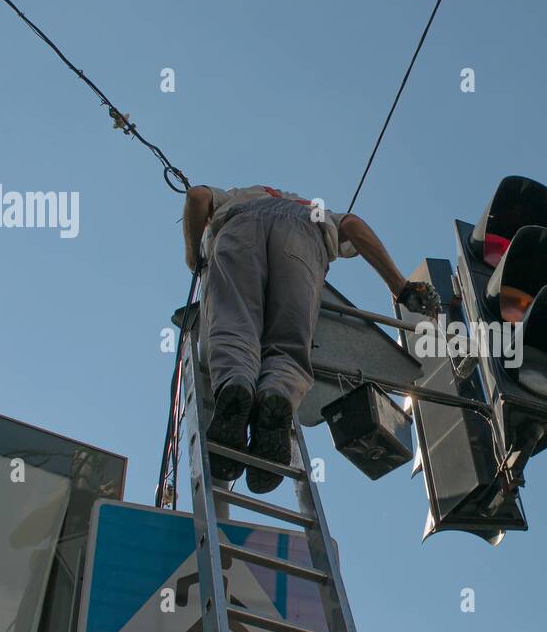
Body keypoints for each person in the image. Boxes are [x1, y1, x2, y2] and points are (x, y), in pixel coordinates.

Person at [182, 183, 440, 492]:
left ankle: (237, 382)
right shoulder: (314, 209)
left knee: (235, 326)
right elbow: (354, 225)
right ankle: (277, 391)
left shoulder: (236, 196)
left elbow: (197, 196)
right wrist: (399, 286)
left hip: (238, 229)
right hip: (304, 237)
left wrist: (195, 256)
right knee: (290, 343)